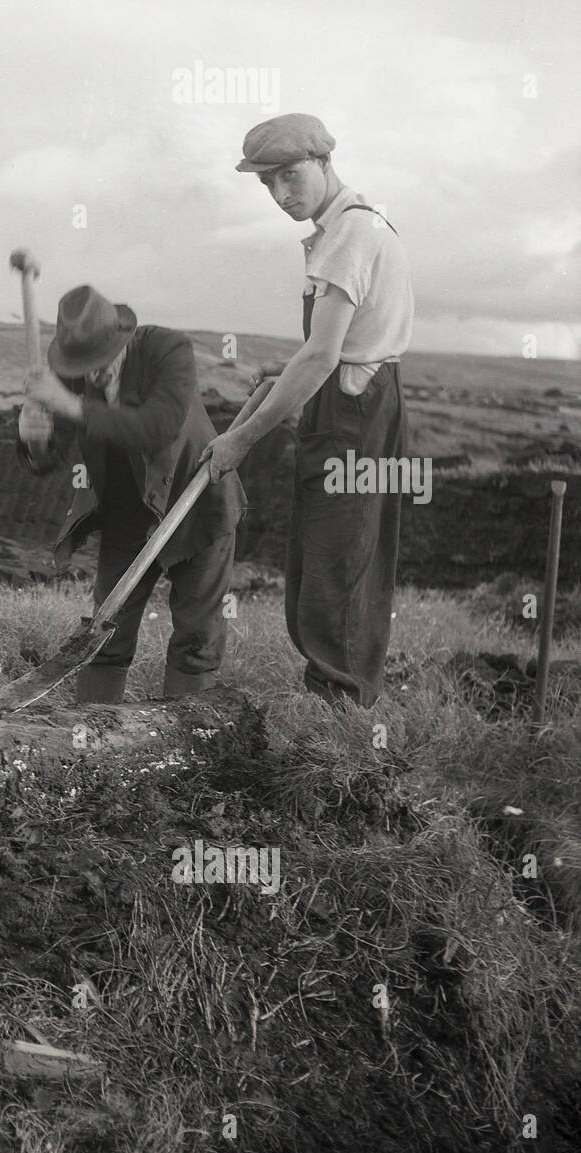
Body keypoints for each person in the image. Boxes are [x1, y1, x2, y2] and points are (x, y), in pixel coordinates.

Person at [201, 113, 414, 709]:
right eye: (267, 184)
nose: (280, 194)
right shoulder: (359, 224)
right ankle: (342, 704)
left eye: (290, 176)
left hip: (352, 409)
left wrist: (241, 441)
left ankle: (336, 723)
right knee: (346, 555)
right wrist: (286, 377)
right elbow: (339, 345)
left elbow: (323, 354)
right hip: (365, 396)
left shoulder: (349, 235)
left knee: (335, 562)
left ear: (324, 163)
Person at [21, 285, 247, 701]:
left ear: (122, 340)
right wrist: (35, 438)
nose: (92, 373)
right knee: (106, 635)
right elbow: (51, 453)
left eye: (100, 362)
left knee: (197, 638)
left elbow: (158, 427)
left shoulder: (168, 349)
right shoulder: (69, 368)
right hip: (125, 512)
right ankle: (90, 739)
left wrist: (72, 406)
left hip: (195, 503)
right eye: (82, 365)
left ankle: (185, 740)